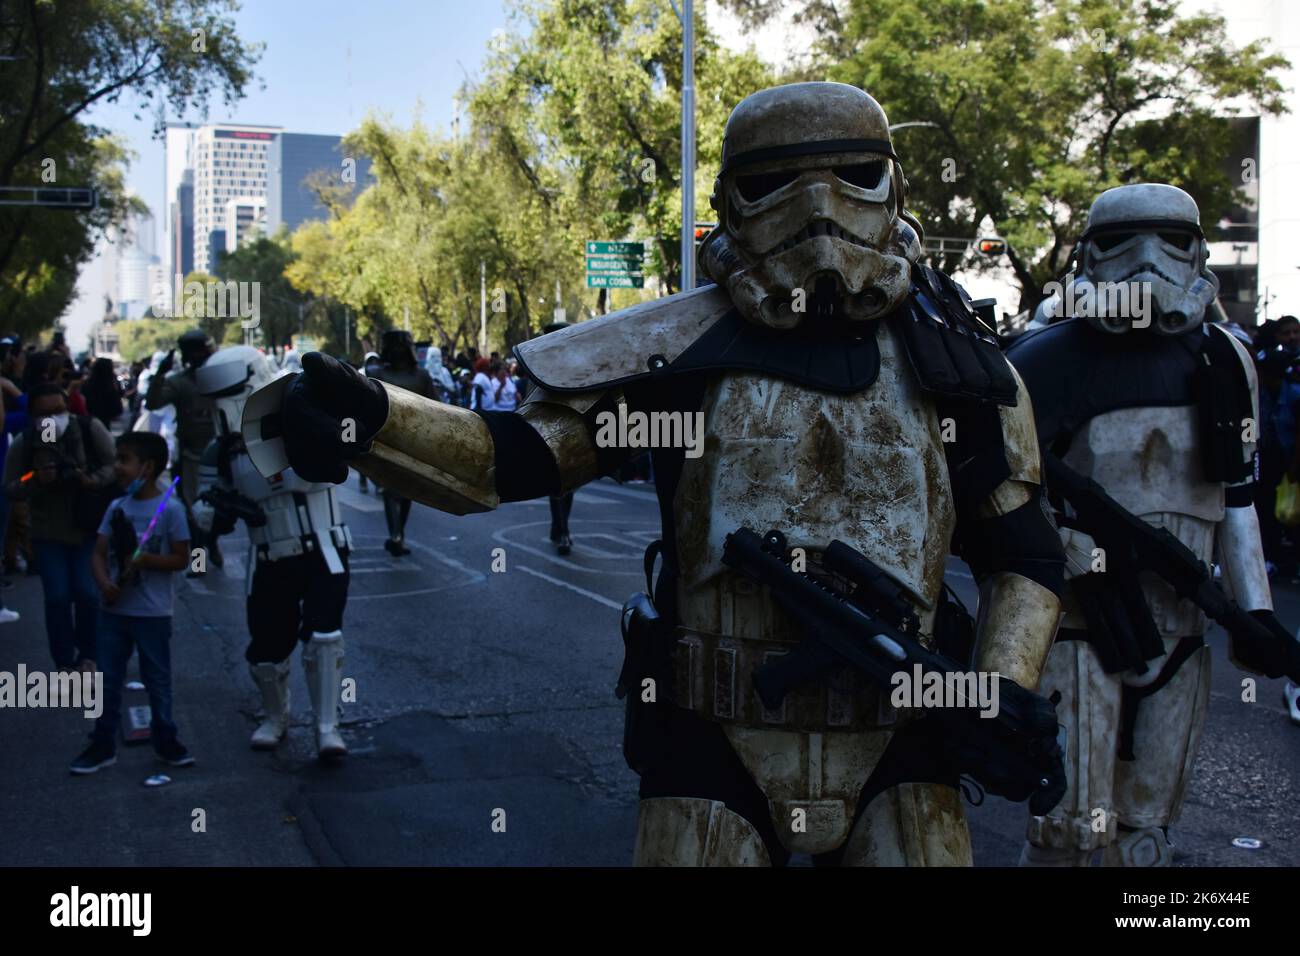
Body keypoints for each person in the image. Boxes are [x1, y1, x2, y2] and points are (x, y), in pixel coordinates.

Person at [247, 81, 1068, 867]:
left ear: (890, 185)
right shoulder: (678, 355)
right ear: (732, 202)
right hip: (710, 734)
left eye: (849, 177)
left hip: (904, 732)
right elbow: (509, 459)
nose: (818, 214)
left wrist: (996, 691)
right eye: (777, 184)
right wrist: (369, 420)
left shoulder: (958, 366)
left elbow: (1022, 557)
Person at [1007, 183, 1298, 865]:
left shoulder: (1226, 360)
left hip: (1182, 625)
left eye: (1172, 243)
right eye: (1124, 241)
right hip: (1078, 625)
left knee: (1144, 836)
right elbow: (1001, 500)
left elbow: (1236, 495)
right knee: (1070, 833)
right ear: (1088, 257)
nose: (1148, 262)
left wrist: (1252, 610)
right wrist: (1071, 556)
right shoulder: (1043, 360)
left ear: (1199, 255)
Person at [193, 346, 353, 758]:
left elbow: (337, 464)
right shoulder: (222, 450)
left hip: (323, 546)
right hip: (267, 556)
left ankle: (327, 726)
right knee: (266, 648)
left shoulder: (303, 421)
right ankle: (275, 717)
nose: (224, 410)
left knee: (323, 637)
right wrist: (211, 512)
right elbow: (210, 504)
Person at [70, 432, 194, 774]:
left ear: (148, 467)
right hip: (113, 611)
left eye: (124, 460)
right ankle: (102, 742)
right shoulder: (116, 507)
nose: (117, 467)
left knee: (158, 679)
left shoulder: (171, 509)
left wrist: (147, 561)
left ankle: (166, 739)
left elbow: (182, 558)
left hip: (153, 613)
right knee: (108, 680)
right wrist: (104, 583)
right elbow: (97, 552)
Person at [3, 383, 116, 669]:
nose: (53, 419)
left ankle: (89, 655)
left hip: (87, 529)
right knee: (57, 597)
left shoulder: (90, 430)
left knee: (88, 594)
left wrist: (91, 480)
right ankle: (64, 662)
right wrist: (36, 478)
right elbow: (11, 487)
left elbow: (114, 466)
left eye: (59, 410)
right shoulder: (26, 442)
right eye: (45, 413)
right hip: (47, 532)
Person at [145, 330, 220, 572]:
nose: (202, 355)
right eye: (197, 351)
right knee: (194, 516)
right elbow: (153, 403)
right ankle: (199, 564)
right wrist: (160, 374)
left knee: (218, 513)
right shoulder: (179, 383)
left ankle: (212, 541)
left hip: (221, 455)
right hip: (191, 458)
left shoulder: (222, 377)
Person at [368, 331, 437, 556]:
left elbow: (435, 408)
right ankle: (395, 534)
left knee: (408, 490)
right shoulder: (376, 373)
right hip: (386, 437)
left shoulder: (422, 376)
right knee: (390, 489)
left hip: (414, 439)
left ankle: (399, 534)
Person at [81, 357, 124, 432]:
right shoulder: (111, 386)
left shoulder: (86, 384)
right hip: (104, 422)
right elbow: (117, 408)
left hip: (87, 422)